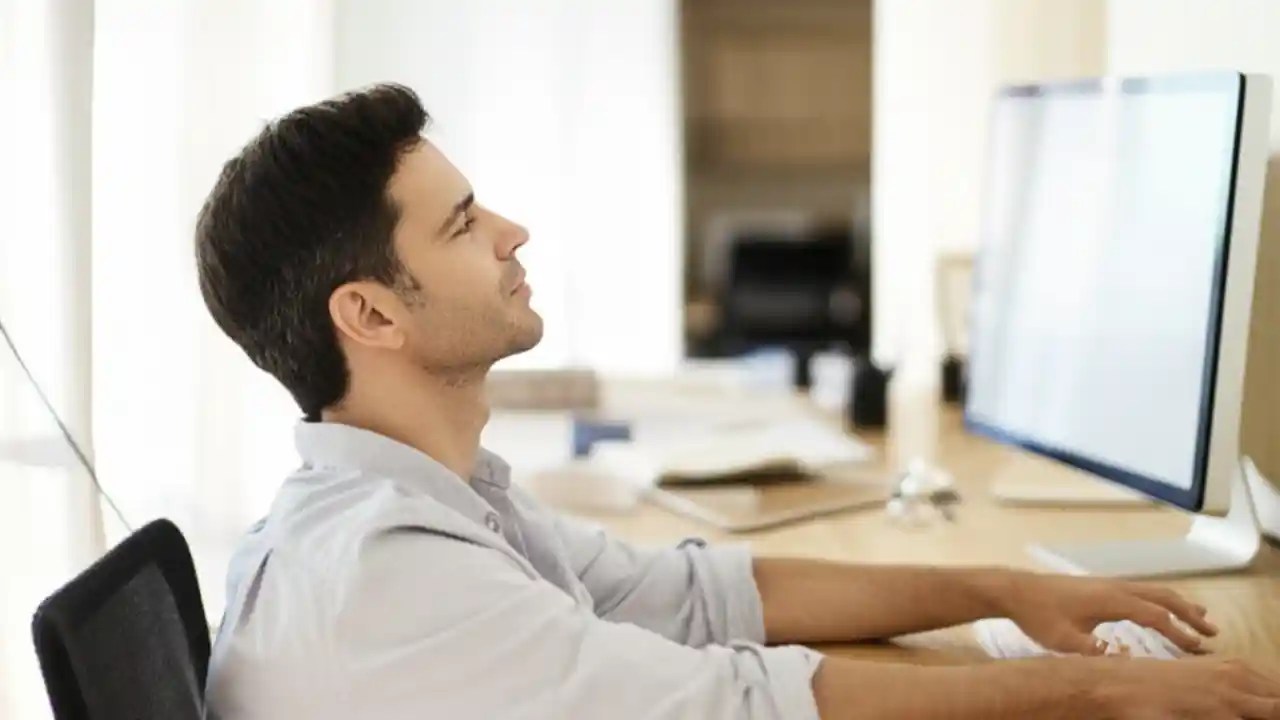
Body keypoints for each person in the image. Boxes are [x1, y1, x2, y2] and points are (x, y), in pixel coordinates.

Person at [195, 84, 1280, 720]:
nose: (511, 232)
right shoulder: (387, 574)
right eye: (462, 224)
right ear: (372, 316)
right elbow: (738, 699)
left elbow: (699, 595)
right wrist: (1093, 693)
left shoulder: (440, 500)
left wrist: (1000, 589)